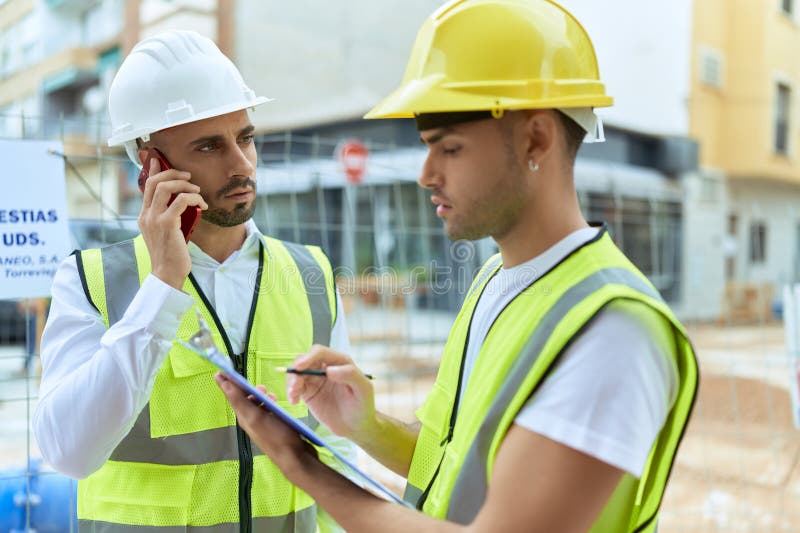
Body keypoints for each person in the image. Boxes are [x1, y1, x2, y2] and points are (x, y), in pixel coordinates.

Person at [215, 1, 699, 532]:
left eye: (449, 148)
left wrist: (299, 464)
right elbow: (450, 462)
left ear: (536, 139)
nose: (425, 174)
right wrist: (365, 425)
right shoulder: (496, 281)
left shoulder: (613, 330)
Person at [34, 30, 353, 532]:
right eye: (210, 146)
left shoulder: (311, 273)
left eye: (245, 137)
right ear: (153, 166)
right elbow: (68, 453)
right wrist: (162, 285)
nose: (242, 163)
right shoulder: (91, 281)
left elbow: (337, 449)